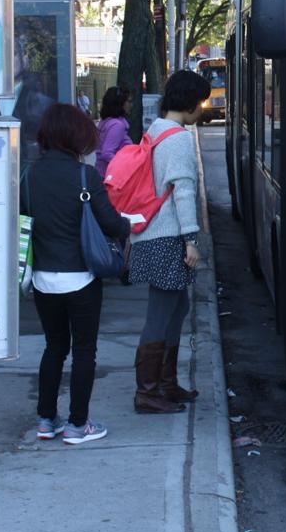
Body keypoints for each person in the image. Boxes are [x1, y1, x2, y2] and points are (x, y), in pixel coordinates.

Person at [22, 103, 131, 444]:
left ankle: (45, 419)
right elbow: (111, 224)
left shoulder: (28, 175)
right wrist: (129, 223)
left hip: (42, 279)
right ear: (76, 136)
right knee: (84, 350)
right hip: (81, 279)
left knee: (54, 347)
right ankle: (77, 424)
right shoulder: (85, 176)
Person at [128, 70, 211, 414]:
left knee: (177, 309)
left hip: (154, 235)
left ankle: (165, 384)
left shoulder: (156, 130)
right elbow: (183, 190)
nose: (202, 109)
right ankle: (148, 391)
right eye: (201, 101)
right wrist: (191, 239)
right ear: (190, 101)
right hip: (167, 237)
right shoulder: (177, 138)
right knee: (161, 313)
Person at [96, 86, 133, 178]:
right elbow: (107, 153)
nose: (131, 105)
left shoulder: (107, 122)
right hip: (111, 178)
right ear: (120, 103)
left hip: (104, 175)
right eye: (128, 101)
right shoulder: (117, 125)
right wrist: (127, 166)